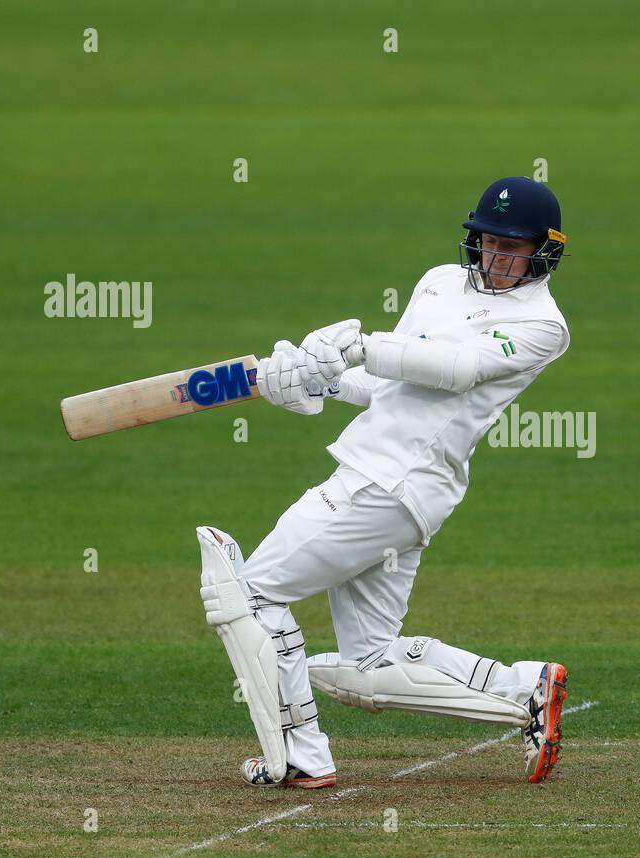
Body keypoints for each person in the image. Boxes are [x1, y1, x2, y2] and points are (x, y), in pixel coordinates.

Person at [196, 176, 572, 789]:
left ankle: (299, 757)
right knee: (366, 663)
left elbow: (457, 370)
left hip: (389, 484)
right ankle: (524, 686)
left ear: (543, 252)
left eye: (515, 248)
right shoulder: (438, 282)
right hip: (393, 487)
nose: (498, 258)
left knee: (251, 597)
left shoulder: (543, 325)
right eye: (488, 242)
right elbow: (394, 387)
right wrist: (322, 381)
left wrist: (357, 348)